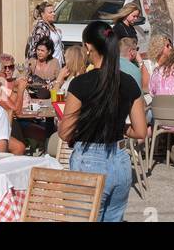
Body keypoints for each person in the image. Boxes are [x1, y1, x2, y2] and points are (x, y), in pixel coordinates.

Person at [59, 20, 147, 222]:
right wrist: (121, 128)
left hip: (89, 160)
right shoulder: (128, 82)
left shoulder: (81, 83)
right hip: (120, 161)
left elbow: (65, 133)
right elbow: (141, 131)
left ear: (88, 47)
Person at [0, 55, 29, 154]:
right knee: (19, 147)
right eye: (4, 68)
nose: (7, 70)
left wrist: (16, 89)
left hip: (9, 122)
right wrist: (19, 90)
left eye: (10, 67)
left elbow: (14, 108)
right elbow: (16, 111)